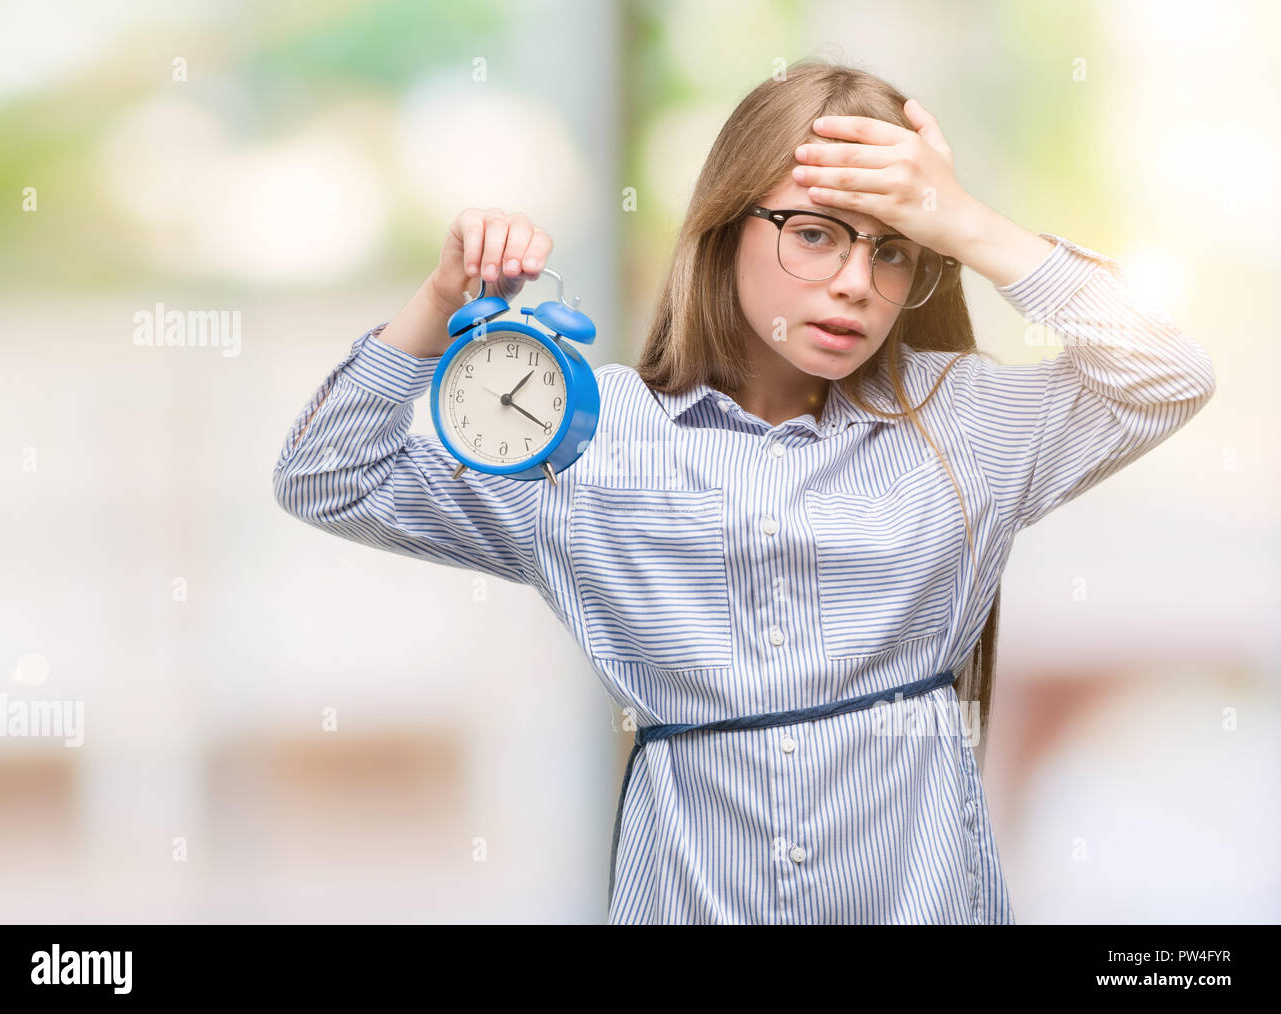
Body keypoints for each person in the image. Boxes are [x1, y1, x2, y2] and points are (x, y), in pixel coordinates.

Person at [272, 60, 1216, 924]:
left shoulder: (958, 420)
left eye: (892, 251)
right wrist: (440, 304)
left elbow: (1171, 372)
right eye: (812, 235)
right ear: (724, 231)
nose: (854, 283)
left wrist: (964, 220)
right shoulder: (584, 437)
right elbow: (328, 475)